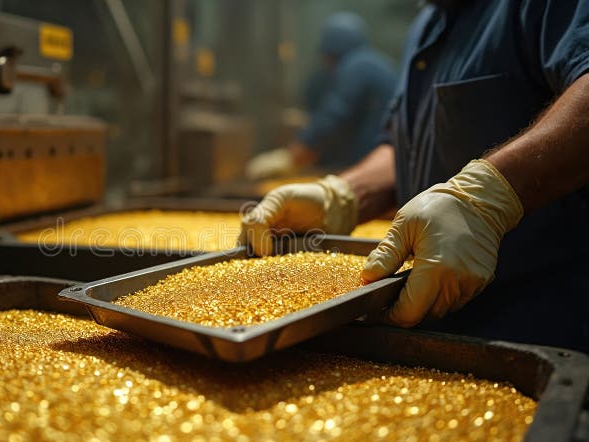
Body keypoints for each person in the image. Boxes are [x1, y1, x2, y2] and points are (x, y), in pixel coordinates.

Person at [241, 0, 589, 353]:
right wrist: (344, 195)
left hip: (541, 331)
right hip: (436, 334)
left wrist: (486, 198)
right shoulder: (427, 24)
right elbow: (403, 144)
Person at [246, 12, 397, 180]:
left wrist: (290, 157)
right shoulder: (372, 61)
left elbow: (334, 116)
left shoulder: (357, 66)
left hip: (373, 161)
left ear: (331, 49)